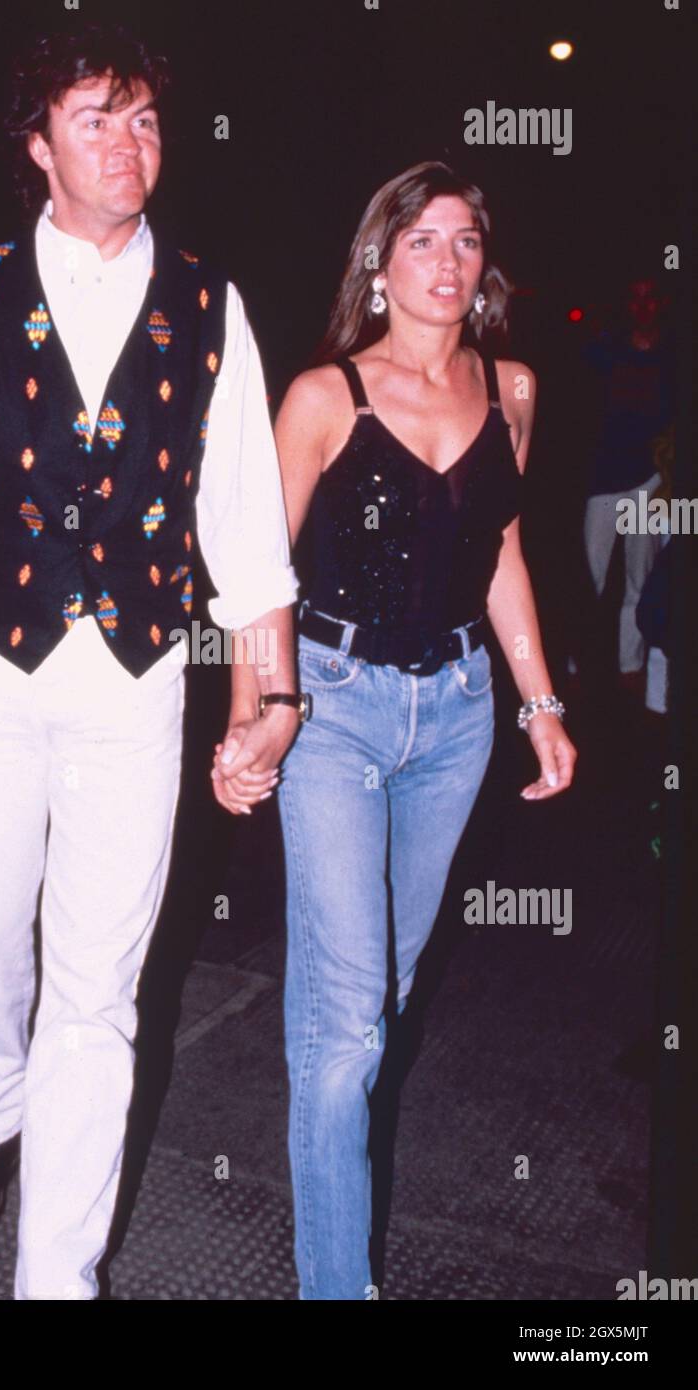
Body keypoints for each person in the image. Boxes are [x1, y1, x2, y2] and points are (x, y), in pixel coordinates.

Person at [0, 23, 301, 1300]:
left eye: (143, 119)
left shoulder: (210, 304)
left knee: (97, 993)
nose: (128, 144)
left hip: (134, 682)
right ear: (38, 148)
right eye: (96, 118)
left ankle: (56, 1278)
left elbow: (247, 535)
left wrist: (274, 698)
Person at [214, 161, 577, 1299]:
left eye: (464, 241)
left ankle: (330, 1169)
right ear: (378, 259)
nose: (445, 262)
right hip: (332, 706)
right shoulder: (325, 396)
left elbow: (503, 553)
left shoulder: (509, 387)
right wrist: (254, 721)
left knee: (375, 997)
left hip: (458, 717)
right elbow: (252, 573)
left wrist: (541, 705)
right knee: (346, 1028)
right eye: (420, 240)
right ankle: (337, 1285)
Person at [579, 276, 675, 684]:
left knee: (641, 581)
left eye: (650, 299)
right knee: (591, 580)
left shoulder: (674, 356)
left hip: (649, 485)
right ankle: (572, 668)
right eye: (635, 299)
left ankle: (631, 668)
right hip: (603, 483)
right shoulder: (604, 352)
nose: (643, 307)